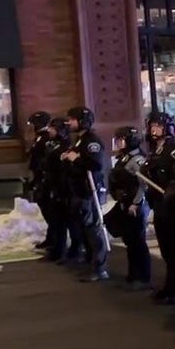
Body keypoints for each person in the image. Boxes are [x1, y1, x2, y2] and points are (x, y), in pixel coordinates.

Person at [144, 112, 175, 304]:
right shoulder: (155, 149)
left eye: (158, 126)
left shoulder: (173, 149)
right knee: (166, 249)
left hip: (171, 206)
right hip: (158, 203)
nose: (154, 130)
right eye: (152, 126)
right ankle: (171, 285)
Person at [61, 106, 109, 282]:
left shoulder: (91, 141)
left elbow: (95, 165)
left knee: (94, 231)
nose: (69, 122)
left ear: (82, 121)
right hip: (79, 190)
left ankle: (100, 267)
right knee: (85, 231)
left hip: (90, 191)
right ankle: (91, 263)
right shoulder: (80, 140)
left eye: (72, 119)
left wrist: (76, 159)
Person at [105, 126, 152, 290]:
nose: (118, 142)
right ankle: (133, 274)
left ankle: (143, 277)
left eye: (121, 139)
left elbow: (144, 183)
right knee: (130, 241)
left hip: (135, 204)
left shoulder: (137, 159)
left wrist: (136, 203)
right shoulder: (124, 157)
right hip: (125, 202)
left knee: (137, 241)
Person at [39, 117, 75, 263]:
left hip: (61, 187)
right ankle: (56, 249)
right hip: (51, 184)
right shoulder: (53, 144)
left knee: (60, 221)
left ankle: (60, 251)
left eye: (53, 128)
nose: (50, 131)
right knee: (54, 219)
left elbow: (62, 169)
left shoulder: (66, 146)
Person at [25, 111, 53, 248]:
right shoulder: (39, 137)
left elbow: (43, 159)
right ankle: (51, 238)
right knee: (44, 208)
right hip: (38, 176)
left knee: (49, 210)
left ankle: (54, 240)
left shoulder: (46, 138)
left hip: (44, 177)